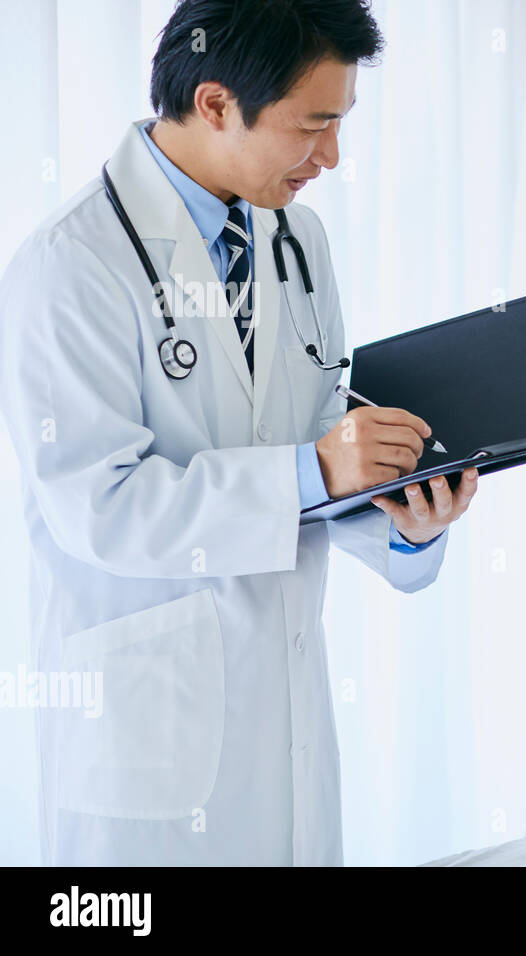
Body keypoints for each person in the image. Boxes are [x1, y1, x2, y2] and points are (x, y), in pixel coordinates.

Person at [0, 0, 474, 864]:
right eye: (314, 126)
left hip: (282, 720)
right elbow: (98, 505)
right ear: (216, 103)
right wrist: (313, 471)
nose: (330, 157)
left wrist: (400, 515)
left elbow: (318, 432)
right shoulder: (70, 265)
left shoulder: (297, 241)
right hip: (145, 744)